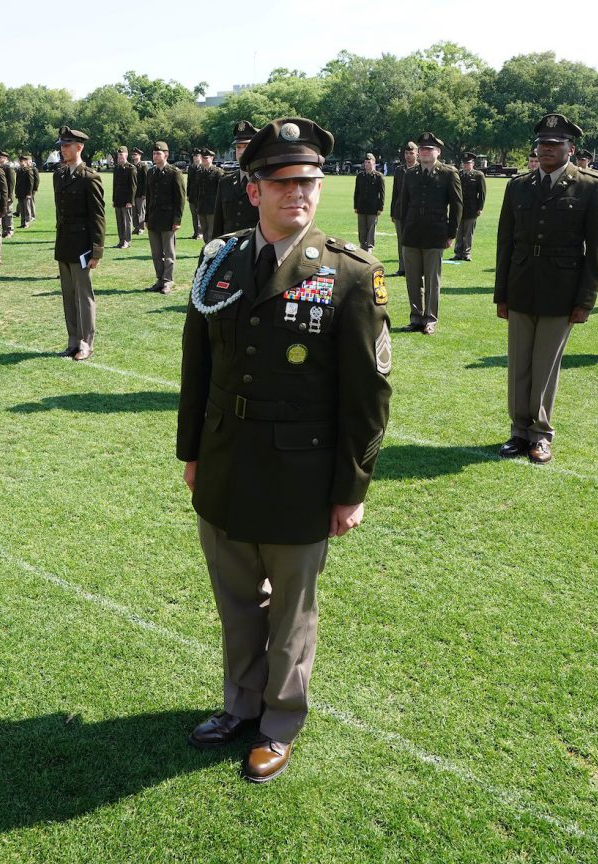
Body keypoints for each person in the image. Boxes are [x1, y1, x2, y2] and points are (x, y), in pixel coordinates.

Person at [177, 116, 391, 784]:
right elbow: (197, 366)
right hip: (225, 462)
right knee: (236, 601)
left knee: (292, 611)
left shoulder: (350, 274)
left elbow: (368, 395)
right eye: (283, 181)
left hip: (302, 473)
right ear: (254, 190)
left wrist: (351, 489)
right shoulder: (219, 260)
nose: (298, 193)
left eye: (309, 181)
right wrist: (191, 452)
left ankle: (278, 722)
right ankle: (239, 705)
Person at [493, 113, 598, 465]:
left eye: (554, 144)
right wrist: (501, 293)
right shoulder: (519, 186)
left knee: (545, 365)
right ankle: (518, 430)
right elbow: (505, 244)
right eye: (542, 144)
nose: (546, 149)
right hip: (521, 285)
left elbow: (597, 249)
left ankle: (541, 434)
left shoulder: (590, 186)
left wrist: (586, 300)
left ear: (570, 149)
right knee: (519, 364)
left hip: (562, 289)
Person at [396, 132, 462, 335]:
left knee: (433, 281)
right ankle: (416, 318)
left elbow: (457, 205)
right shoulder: (411, 174)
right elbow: (404, 204)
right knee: (413, 280)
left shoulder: (448, 173)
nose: (425, 152)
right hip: (412, 232)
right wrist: (403, 229)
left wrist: (451, 234)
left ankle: (430, 319)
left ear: (438, 152)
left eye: (429, 149)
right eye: (422, 149)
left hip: (436, 233)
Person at [51, 126, 106, 360]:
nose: (63, 150)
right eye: (61, 146)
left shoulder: (89, 178)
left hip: (82, 246)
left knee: (84, 297)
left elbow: (98, 217)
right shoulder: (60, 175)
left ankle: (86, 342)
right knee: (68, 295)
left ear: (79, 147)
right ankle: (72, 340)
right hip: (64, 244)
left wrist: (96, 251)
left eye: (67, 145)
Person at [144, 140, 185, 293]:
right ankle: (159, 279)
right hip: (154, 218)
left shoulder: (174, 172)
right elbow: (149, 197)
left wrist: (177, 220)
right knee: (156, 253)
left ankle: (168, 280)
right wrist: (146, 217)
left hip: (168, 219)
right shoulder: (151, 172)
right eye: (154, 153)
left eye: (158, 153)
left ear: (166, 155)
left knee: (168, 253)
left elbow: (180, 198)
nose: (155, 156)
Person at [211, 120, 259, 238]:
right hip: (229, 250)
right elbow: (218, 223)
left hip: (256, 250)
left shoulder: (265, 182)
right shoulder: (225, 181)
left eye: (247, 146)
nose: (242, 151)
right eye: (238, 147)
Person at [389, 142, 417, 276]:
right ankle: (402, 268)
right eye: (406, 153)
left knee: (414, 240)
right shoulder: (399, 170)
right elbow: (395, 192)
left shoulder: (419, 169)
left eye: (411, 153)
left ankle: (413, 268)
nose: (408, 156)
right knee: (401, 241)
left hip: (414, 212)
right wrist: (392, 212)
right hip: (400, 211)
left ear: (417, 153)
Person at [453, 151, 486, 261]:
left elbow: (482, 193)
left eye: (468, 163)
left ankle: (466, 253)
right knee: (458, 232)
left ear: (473, 163)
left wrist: (480, 208)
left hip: (472, 208)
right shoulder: (458, 174)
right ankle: (458, 253)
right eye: (464, 163)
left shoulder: (478, 175)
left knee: (468, 233)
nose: (466, 165)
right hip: (460, 209)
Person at [352, 152, 384, 252]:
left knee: (371, 228)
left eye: (369, 162)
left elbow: (382, 193)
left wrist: (380, 208)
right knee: (361, 228)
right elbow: (356, 192)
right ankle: (362, 245)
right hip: (361, 206)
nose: (367, 164)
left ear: (374, 163)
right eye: (365, 162)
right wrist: (355, 206)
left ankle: (370, 246)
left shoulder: (378, 176)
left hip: (373, 208)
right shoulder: (360, 176)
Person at [111, 146, 137, 249]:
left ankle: (127, 241)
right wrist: (114, 199)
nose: (120, 157)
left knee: (127, 222)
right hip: (118, 199)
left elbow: (133, 187)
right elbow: (115, 185)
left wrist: (130, 201)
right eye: (118, 155)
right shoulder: (117, 168)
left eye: (121, 155)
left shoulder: (131, 168)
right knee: (119, 222)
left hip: (127, 200)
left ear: (126, 155)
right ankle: (121, 241)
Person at [0, 151, 17, 237]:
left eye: (0, 157)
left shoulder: (9, 168)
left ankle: (9, 230)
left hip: (7, 195)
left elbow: (11, 183)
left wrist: (9, 196)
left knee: (8, 212)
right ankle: (4, 230)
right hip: (0, 194)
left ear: (5, 158)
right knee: (2, 212)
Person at [16, 154, 37, 228]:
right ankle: (22, 223)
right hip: (20, 193)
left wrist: (29, 193)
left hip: (26, 193)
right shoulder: (19, 170)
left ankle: (26, 223)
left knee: (27, 209)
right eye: (20, 161)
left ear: (25, 161)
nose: (20, 163)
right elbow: (17, 183)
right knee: (22, 209)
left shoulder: (29, 171)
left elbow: (30, 183)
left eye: (22, 161)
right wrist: (16, 192)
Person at [131, 148, 148, 235]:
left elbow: (146, 181)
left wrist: (145, 193)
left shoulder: (143, 166)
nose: (134, 156)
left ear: (139, 156)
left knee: (141, 212)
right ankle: (136, 227)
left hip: (140, 193)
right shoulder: (131, 166)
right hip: (132, 193)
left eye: (136, 155)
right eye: (133, 155)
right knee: (133, 212)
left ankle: (141, 228)